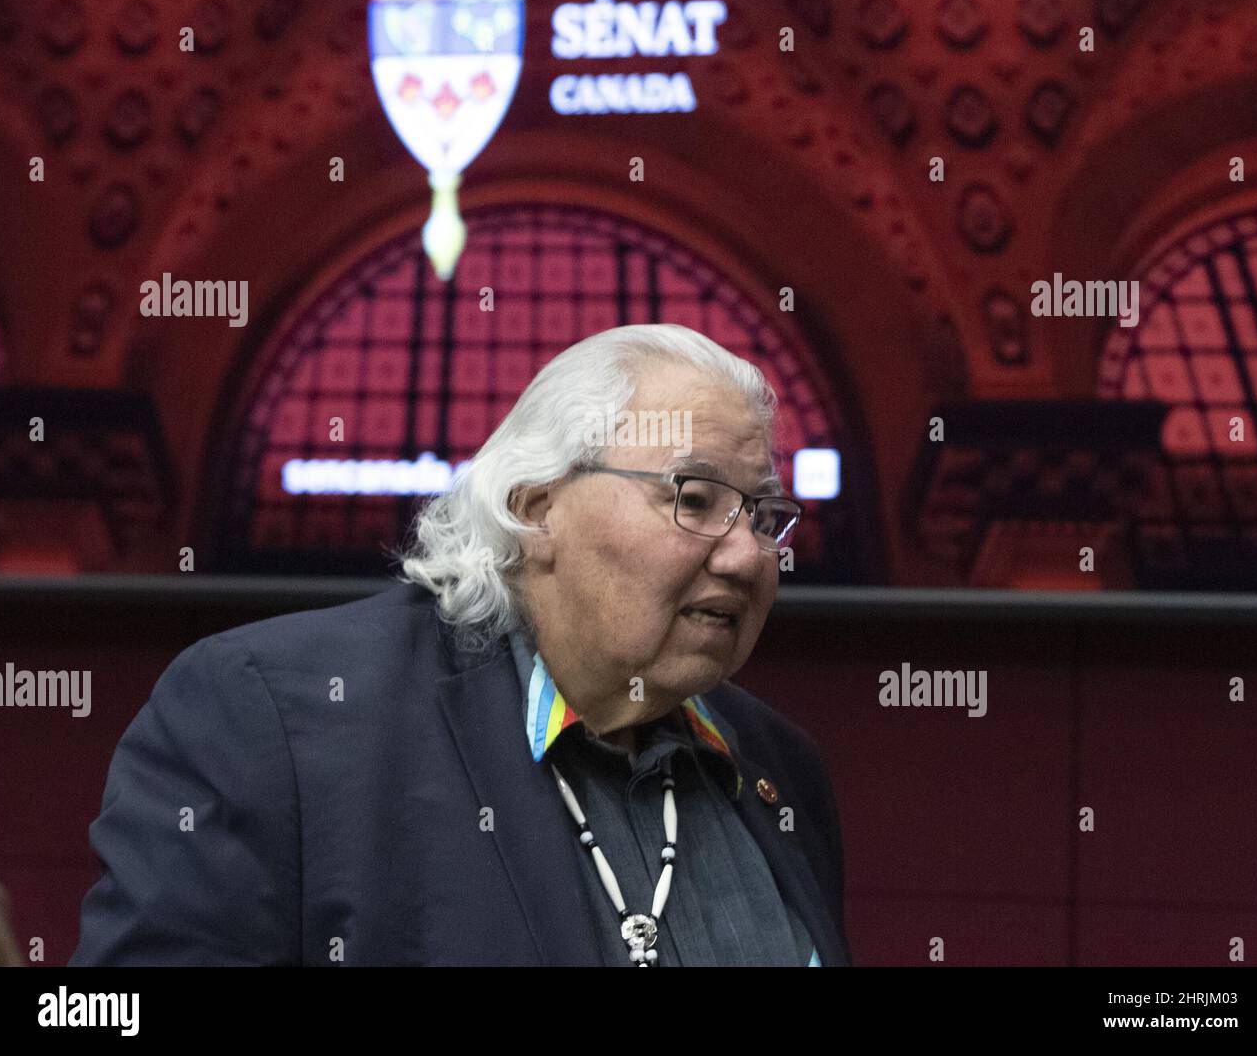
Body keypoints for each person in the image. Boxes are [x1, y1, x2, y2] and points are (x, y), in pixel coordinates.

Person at [71, 324, 850, 965]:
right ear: (535, 508)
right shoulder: (268, 717)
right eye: (696, 498)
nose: (748, 555)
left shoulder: (779, 766)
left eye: (763, 514)